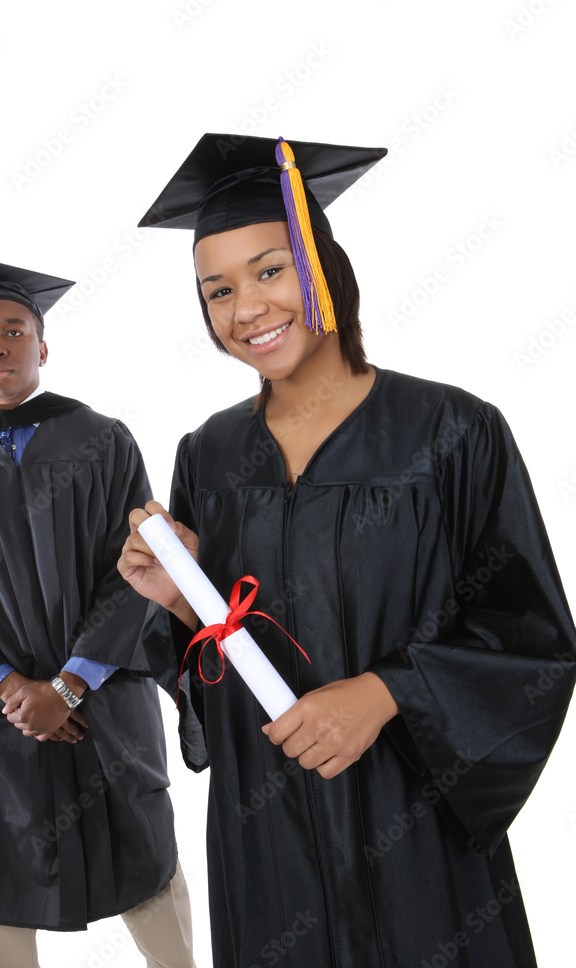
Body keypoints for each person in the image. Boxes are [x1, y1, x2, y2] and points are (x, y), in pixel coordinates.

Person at [118, 134, 576, 967]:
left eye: (268, 270)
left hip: (416, 821)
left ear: (323, 265)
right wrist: (182, 601)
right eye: (217, 290)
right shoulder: (210, 455)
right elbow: (212, 661)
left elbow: (532, 635)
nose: (245, 308)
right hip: (267, 832)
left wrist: (387, 691)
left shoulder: (452, 432)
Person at [0, 257, 196, 968]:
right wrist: (11, 688)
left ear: (43, 345)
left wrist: (67, 684)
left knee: (144, 865)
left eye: (15, 330)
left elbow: (140, 571)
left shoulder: (103, 440)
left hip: (103, 702)